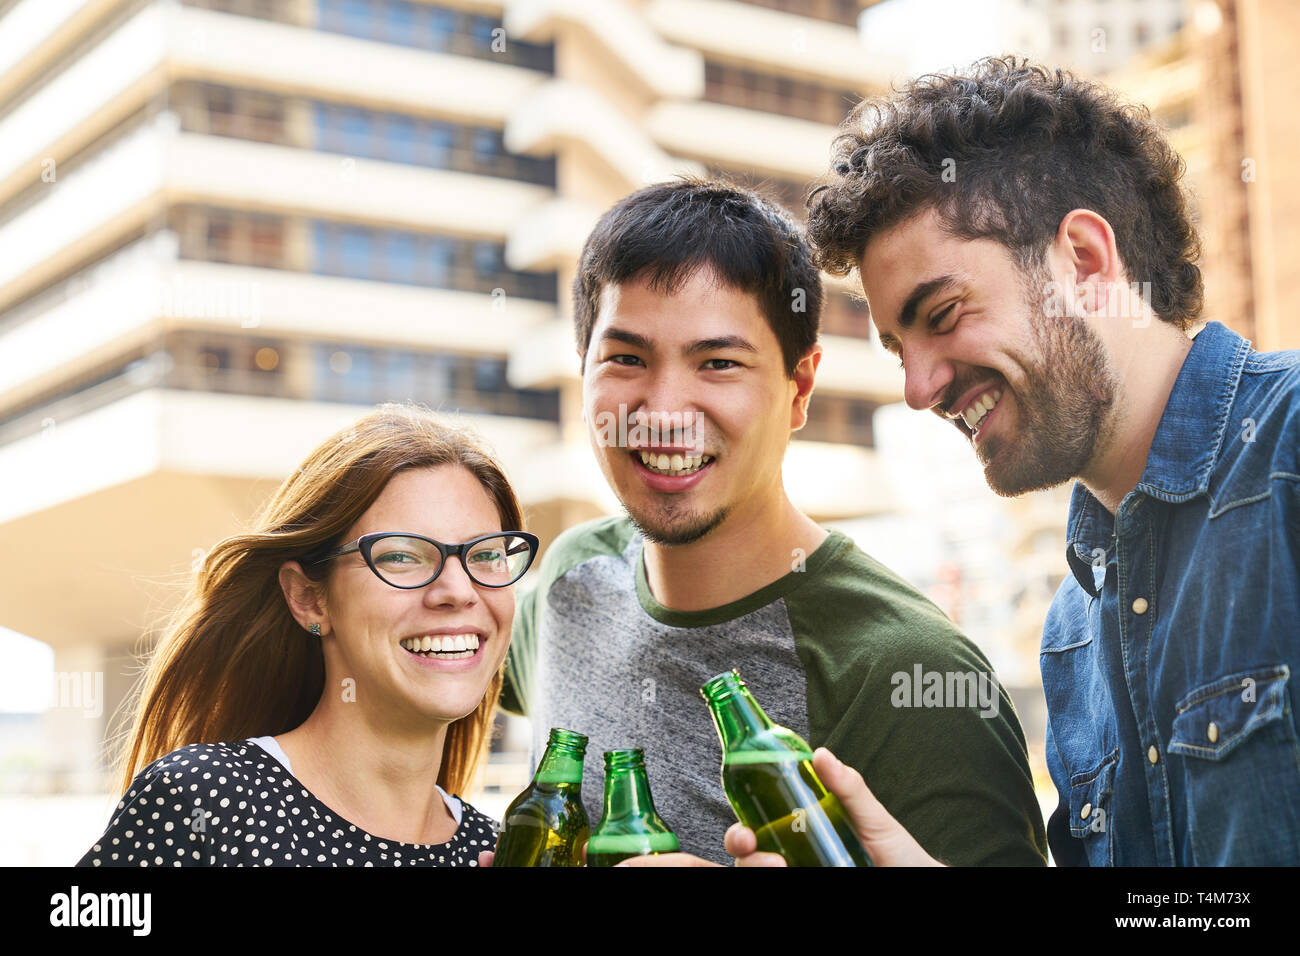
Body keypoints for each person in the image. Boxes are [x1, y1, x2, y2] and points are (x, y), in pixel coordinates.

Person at [793, 55, 1300, 866]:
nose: (919, 389)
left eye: (944, 313)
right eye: (898, 349)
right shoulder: (1071, 631)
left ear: (1087, 265)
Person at [493, 178, 1048, 867]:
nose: (665, 410)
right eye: (626, 359)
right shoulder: (569, 582)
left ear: (800, 388)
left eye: (719, 363)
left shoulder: (909, 674)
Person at [77, 405, 538, 866]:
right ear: (308, 599)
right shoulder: (205, 801)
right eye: (401, 556)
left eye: (486, 555)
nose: (458, 591)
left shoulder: (495, 851)